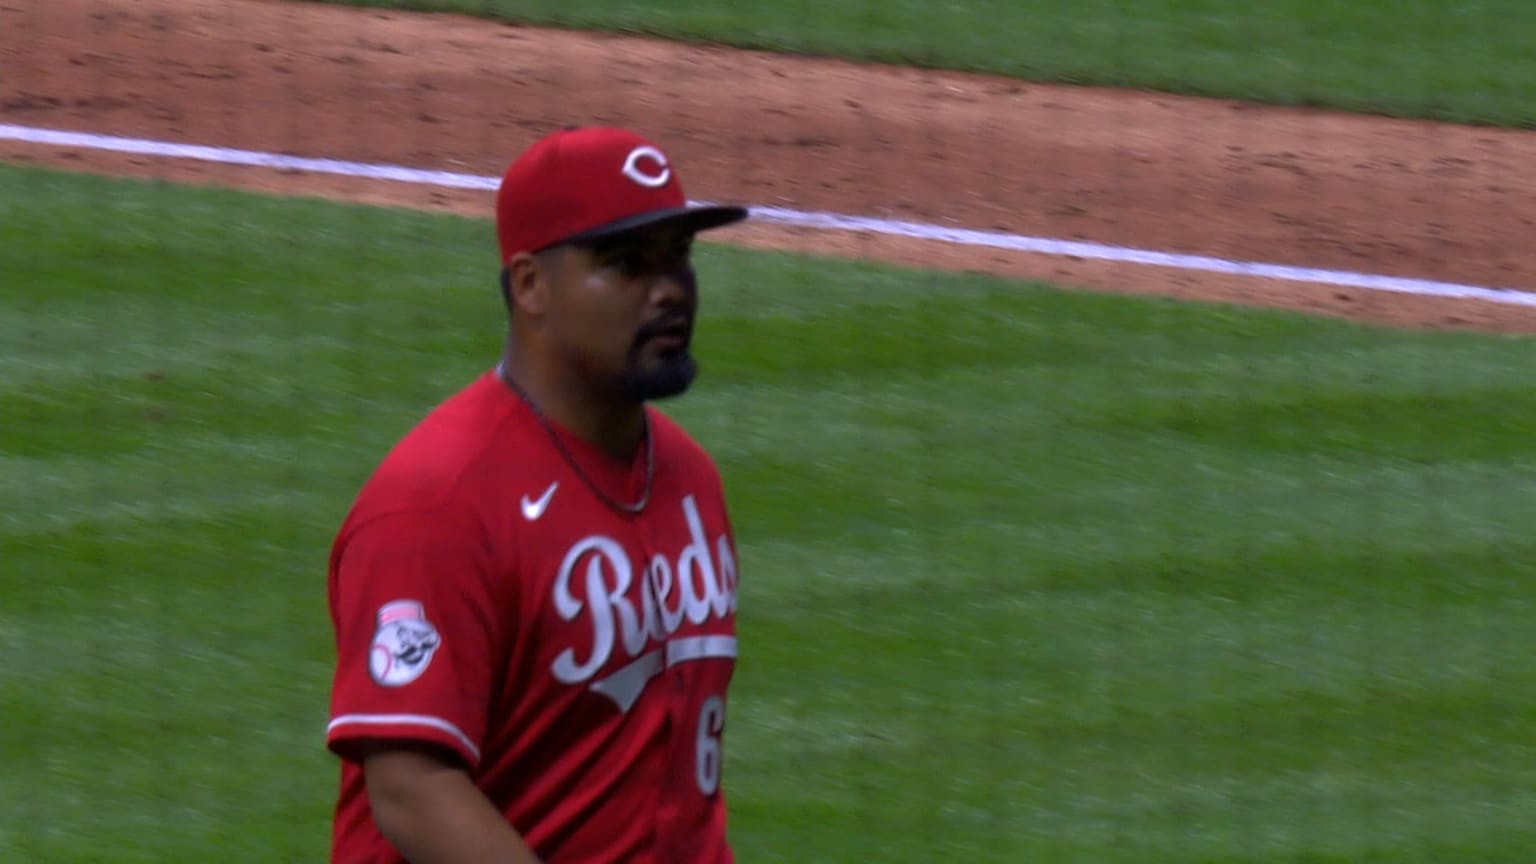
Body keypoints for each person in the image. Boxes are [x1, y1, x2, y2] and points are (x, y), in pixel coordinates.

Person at [324, 126, 749, 863]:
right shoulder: (440, 502)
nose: (669, 290)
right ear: (529, 285)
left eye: (678, 255)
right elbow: (411, 787)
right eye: (624, 263)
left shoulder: (688, 476)